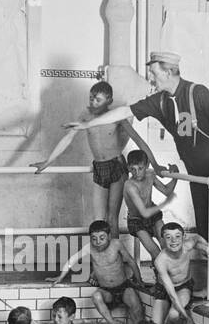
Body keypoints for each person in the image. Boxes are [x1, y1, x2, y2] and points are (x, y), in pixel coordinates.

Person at [65, 53, 209, 305]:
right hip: (196, 175)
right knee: (206, 229)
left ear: (168, 72)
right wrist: (86, 125)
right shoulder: (160, 101)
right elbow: (125, 111)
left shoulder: (197, 93)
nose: (151, 79)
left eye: (154, 74)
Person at [33, 80, 158, 238]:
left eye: (98, 99)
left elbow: (139, 140)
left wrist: (155, 165)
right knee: (98, 219)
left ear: (109, 101)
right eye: (91, 98)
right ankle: (103, 257)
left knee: (112, 217)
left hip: (117, 166)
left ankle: (115, 257)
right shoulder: (85, 116)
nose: (93, 101)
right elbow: (68, 138)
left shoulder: (117, 117)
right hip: (99, 167)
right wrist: (47, 161)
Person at [49, 220, 145, 324]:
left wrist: (139, 280)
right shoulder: (89, 248)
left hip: (124, 287)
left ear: (109, 236)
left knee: (136, 307)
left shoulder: (116, 244)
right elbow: (72, 260)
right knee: (96, 296)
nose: (98, 242)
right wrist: (60, 277)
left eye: (102, 238)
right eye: (94, 238)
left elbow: (131, 261)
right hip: (107, 291)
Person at [150, 222, 209, 324]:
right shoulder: (160, 261)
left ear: (183, 237)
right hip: (164, 290)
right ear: (162, 240)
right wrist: (187, 318)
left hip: (183, 286)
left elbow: (196, 237)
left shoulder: (187, 246)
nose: (173, 241)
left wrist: (206, 248)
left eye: (177, 236)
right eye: (168, 237)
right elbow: (171, 294)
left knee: (173, 314)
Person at [122, 149, 179, 261]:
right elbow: (144, 213)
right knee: (156, 252)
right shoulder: (129, 185)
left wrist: (175, 176)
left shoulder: (150, 174)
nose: (137, 173)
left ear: (147, 165)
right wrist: (165, 203)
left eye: (140, 168)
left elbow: (167, 191)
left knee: (166, 245)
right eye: (133, 169)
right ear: (128, 168)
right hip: (136, 220)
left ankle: (169, 276)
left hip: (153, 216)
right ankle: (160, 275)